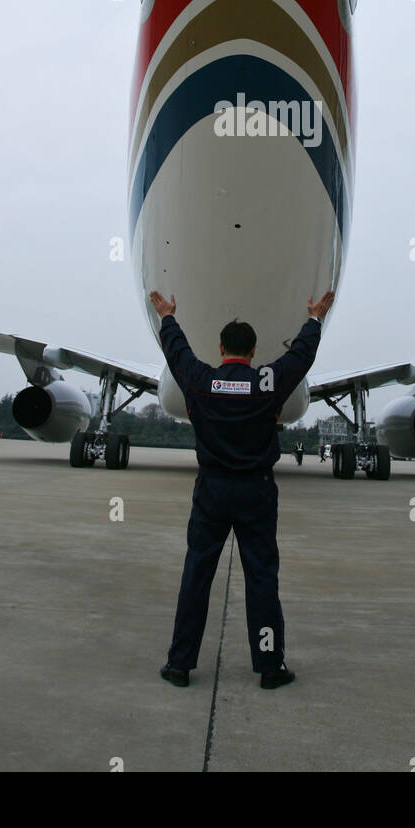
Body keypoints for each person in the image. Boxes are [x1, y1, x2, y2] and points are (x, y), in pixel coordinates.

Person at [150, 287, 334, 690]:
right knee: (262, 580)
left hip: (212, 492)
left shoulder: (203, 381)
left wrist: (167, 317)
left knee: (197, 576)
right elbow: (300, 357)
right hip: (256, 493)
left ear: (221, 349)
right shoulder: (267, 384)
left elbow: (177, 355)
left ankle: (180, 664)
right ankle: (270, 667)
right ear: (253, 353)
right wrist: (314, 318)